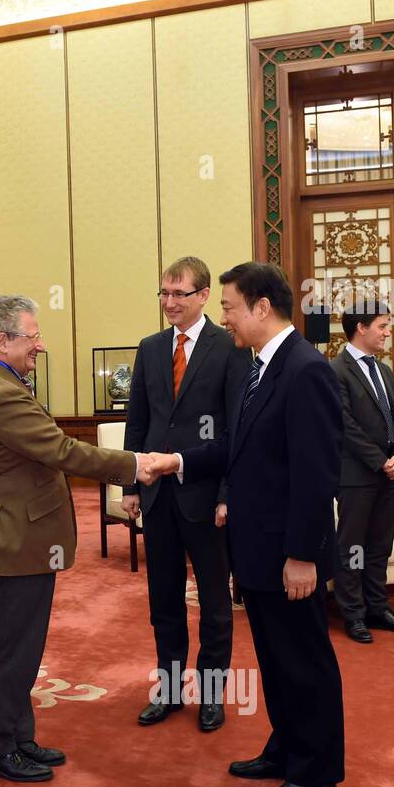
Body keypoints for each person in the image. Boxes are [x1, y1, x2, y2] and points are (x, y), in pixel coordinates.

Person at [145, 262, 344, 787]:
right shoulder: (261, 366)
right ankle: (286, 749)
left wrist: (302, 555)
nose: (225, 316)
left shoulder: (304, 370)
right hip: (256, 550)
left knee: (304, 662)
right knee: (277, 659)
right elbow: (236, 444)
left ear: (260, 307)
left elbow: (315, 473)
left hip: (288, 553)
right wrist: (178, 460)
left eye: (230, 306)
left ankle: (317, 774)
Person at [0, 295, 140, 782]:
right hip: (14, 540)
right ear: (3, 340)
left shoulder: (0, 382)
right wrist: (138, 465)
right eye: (32, 336)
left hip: (22, 536)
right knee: (10, 649)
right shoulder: (1, 393)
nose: (40, 345)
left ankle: (17, 736)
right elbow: (63, 450)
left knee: (22, 646)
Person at [124, 257, 250, 732]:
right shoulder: (150, 348)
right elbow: (139, 421)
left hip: (206, 496)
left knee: (215, 603)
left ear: (202, 297)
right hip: (157, 496)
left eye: (180, 294)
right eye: (163, 293)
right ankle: (171, 691)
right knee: (164, 602)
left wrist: (226, 493)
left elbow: (236, 430)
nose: (169, 302)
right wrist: (132, 485)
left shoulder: (230, 347)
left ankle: (212, 695)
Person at [332, 298, 394, 643]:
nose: (387, 332)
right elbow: (344, 426)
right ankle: (352, 614)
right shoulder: (335, 370)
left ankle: (377, 607)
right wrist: (379, 460)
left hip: (390, 475)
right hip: (356, 476)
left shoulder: (383, 370)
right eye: (382, 326)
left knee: (379, 545)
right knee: (352, 546)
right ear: (361, 328)